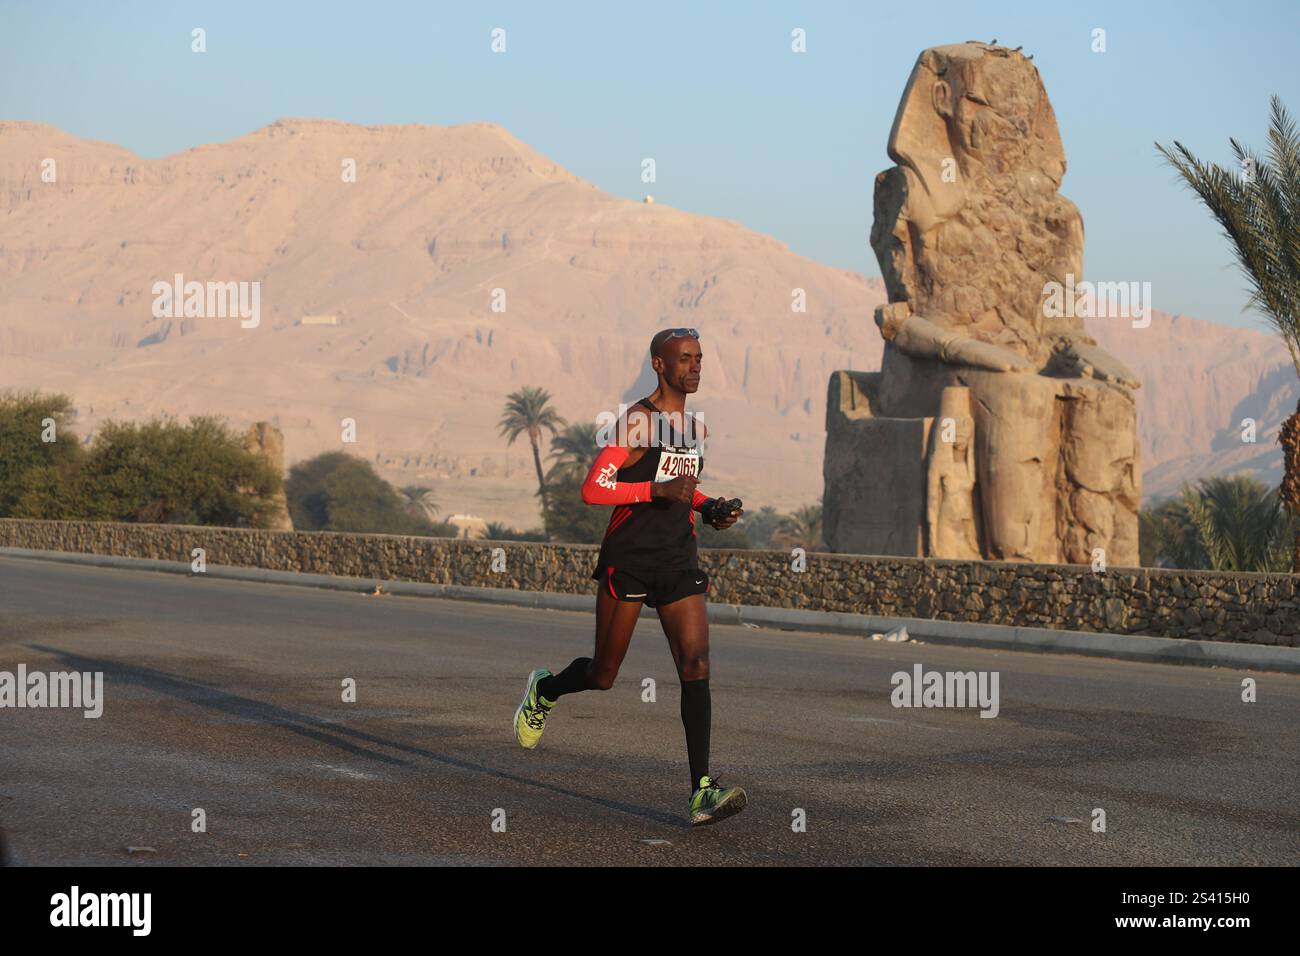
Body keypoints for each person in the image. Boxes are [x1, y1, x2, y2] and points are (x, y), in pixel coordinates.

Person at [513, 328, 747, 826]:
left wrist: (712, 508)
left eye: (700, 359)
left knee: (697, 666)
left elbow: (683, 488)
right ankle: (546, 690)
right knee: (603, 675)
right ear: (660, 365)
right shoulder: (637, 422)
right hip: (630, 560)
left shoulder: (695, 428)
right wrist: (655, 492)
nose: (695, 367)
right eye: (684, 359)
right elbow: (594, 489)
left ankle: (701, 790)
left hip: (679, 562)